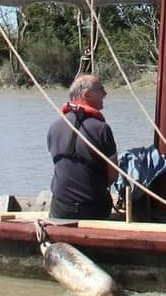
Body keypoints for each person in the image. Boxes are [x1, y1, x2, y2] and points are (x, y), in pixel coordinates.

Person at [46, 73, 119, 221]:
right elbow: (113, 175)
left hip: (61, 208)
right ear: (86, 95)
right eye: (101, 89)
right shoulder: (102, 129)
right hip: (93, 208)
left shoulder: (54, 127)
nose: (105, 93)